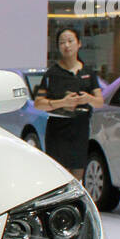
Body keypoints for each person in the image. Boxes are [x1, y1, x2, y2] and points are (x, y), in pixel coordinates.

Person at [34, 27, 104, 183]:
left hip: (80, 130)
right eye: (62, 43)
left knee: (77, 176)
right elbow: (38, 104)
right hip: (58, 132)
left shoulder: (88, 72)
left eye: (70, 41)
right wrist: (62, 103)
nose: (66, 45)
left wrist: (88, 99)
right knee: (59, 176)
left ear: (79, 44)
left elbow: (100, 102)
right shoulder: (52, 74)